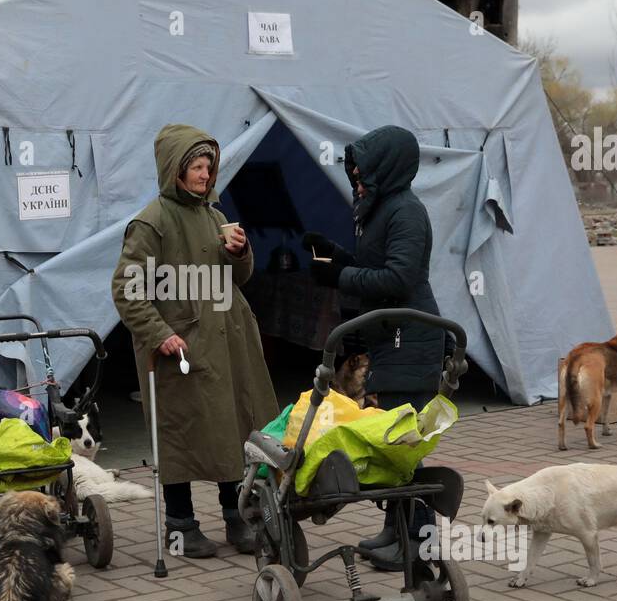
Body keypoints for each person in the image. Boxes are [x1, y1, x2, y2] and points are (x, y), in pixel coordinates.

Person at [111, 124, 279, 558]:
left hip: (226, 346)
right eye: (197, 167)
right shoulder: (152, 222)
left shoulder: (216, 217)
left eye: (209, 167)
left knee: (232, 431)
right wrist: (159, 333)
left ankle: (237, 518)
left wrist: (240, 253)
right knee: (179, 436)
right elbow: (128, 290)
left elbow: (239, 280)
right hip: (180, 348)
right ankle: (180, 527)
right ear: (175, 170)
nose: (206, 175)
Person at [304, 125, 444, 571]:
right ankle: (395, 532)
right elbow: (376, 265)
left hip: (411, 338)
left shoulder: (407, 212)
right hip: (392, 339)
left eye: (364, 174)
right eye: (355, 174)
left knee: (406, 446)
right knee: (391, 446)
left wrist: (339, 277)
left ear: (389, 169)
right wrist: (338, 257)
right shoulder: (381, 208)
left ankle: (419, 543)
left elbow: (399, 278)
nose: (358, 182)